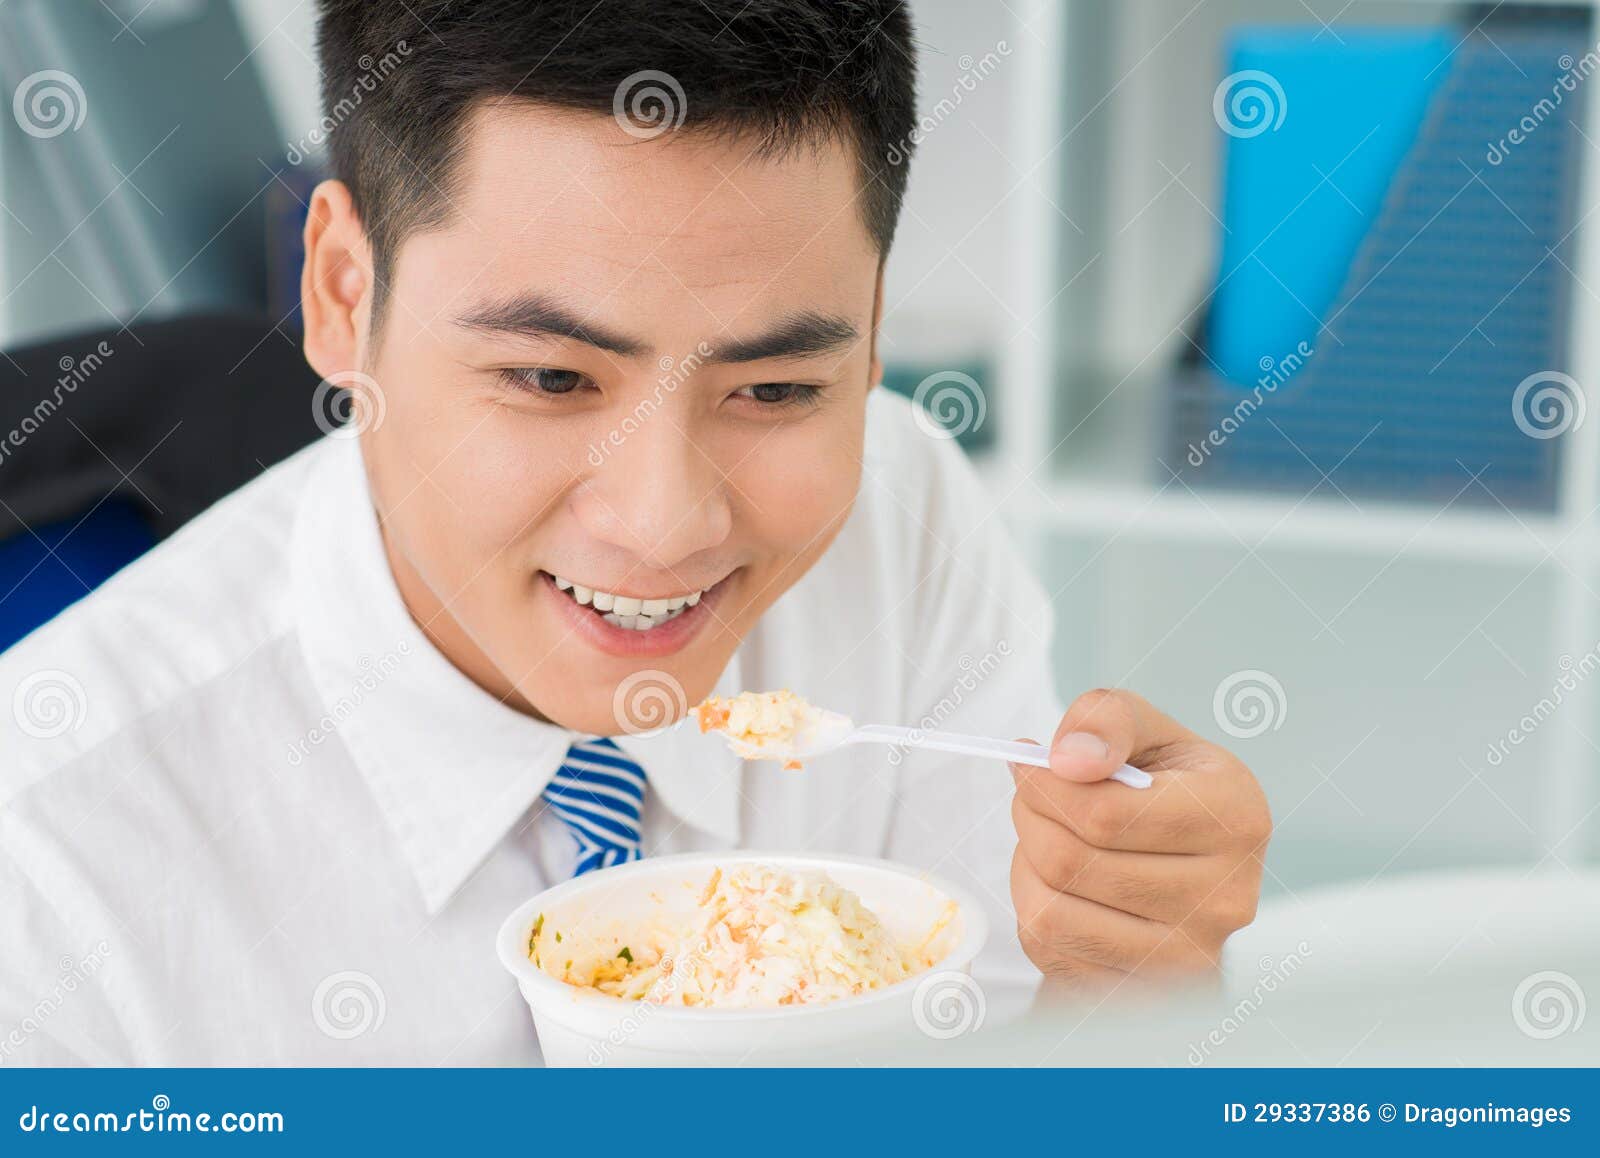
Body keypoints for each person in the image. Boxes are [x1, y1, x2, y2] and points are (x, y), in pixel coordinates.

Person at [0, 0, 1270, 1064]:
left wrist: (1117, 998)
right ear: (344, 294)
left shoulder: (904, 515)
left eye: (774, 391)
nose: (664, 526)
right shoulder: (48, 875)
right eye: (550, 380)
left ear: (874, 328)